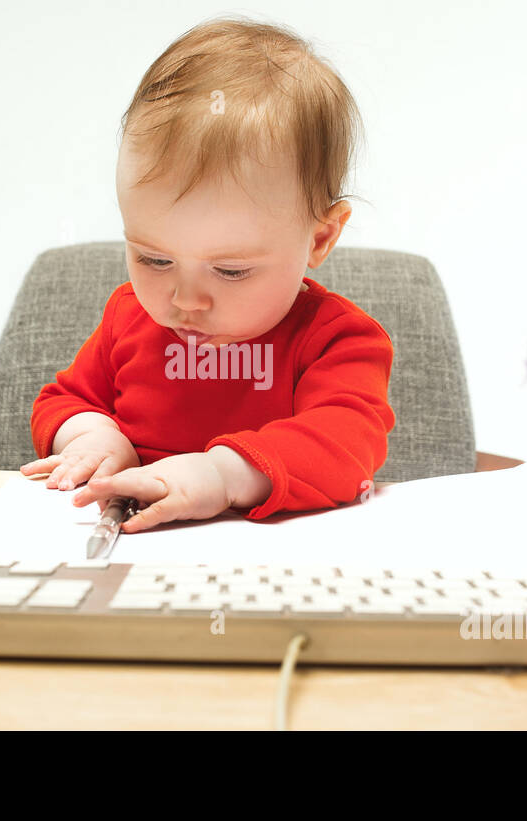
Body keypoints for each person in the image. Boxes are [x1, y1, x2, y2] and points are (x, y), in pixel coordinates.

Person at [20, 16, 395, 532]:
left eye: (231, 270)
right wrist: (90, 436)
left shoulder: (338, 341)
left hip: (271, 574)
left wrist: (223, 475)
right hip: (131, 555)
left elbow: (347, 443)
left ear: (320, 239)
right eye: (154, 259)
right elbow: (64, 399)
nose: (186, 299)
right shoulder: (129, 317)